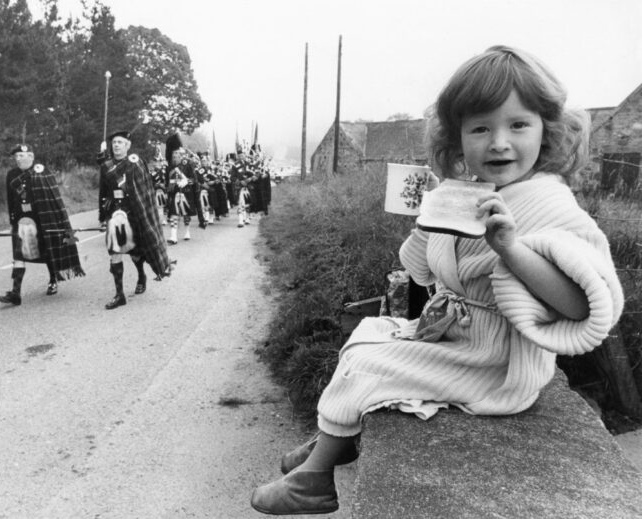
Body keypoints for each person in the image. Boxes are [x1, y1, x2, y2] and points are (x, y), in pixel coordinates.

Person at [250, 45, 625, 515]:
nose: (499, 142)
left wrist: (511, 249)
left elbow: (583, 305)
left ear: (546, 131)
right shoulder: (472, 193)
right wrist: (432, 218)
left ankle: (314, 479)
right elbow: (422, 270)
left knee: (368, 367)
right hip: (456, 335)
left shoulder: (549, 203)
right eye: (480, 128)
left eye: (518, 125)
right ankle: (336, 438)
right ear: (458, 137)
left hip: (496, 360)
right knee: (369, 333)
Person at [0, 144, 85, 306]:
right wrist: (12, 220)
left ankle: (53, 280)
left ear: (31, 157)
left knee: (48, 251)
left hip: (43, 219)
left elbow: (53, 198)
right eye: (16, 157)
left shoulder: (42, 172)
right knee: (18, 256)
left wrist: (55, 220)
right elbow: (11, 199)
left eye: (21, 156)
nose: (18, 159)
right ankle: (16, 293)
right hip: (22, 220)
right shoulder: (12, 174)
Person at [98, 130, 172, 310]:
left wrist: (143, 213)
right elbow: (103, 192)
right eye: (114, 142)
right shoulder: (106, 166)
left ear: (127, 146)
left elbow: (145, 190)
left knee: (135, 252)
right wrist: (102, 216)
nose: (116, 145)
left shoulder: (135, 163)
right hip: (115, 214)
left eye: (120, 142)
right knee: (115, 252)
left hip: (134, 213)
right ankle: (119, 294)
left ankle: (141, 275)